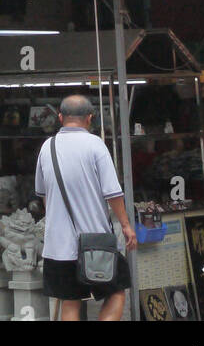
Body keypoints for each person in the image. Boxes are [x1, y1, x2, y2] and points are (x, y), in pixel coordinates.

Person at [35, 93, 137, 322]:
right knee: (116, 291)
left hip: (57, 246)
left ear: (60, 117)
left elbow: (44, 196)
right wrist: (126, 225)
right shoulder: (95, 146)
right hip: (95, 243)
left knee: (70, 302)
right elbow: (113, 193)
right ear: (90, 118)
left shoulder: (46, 148)